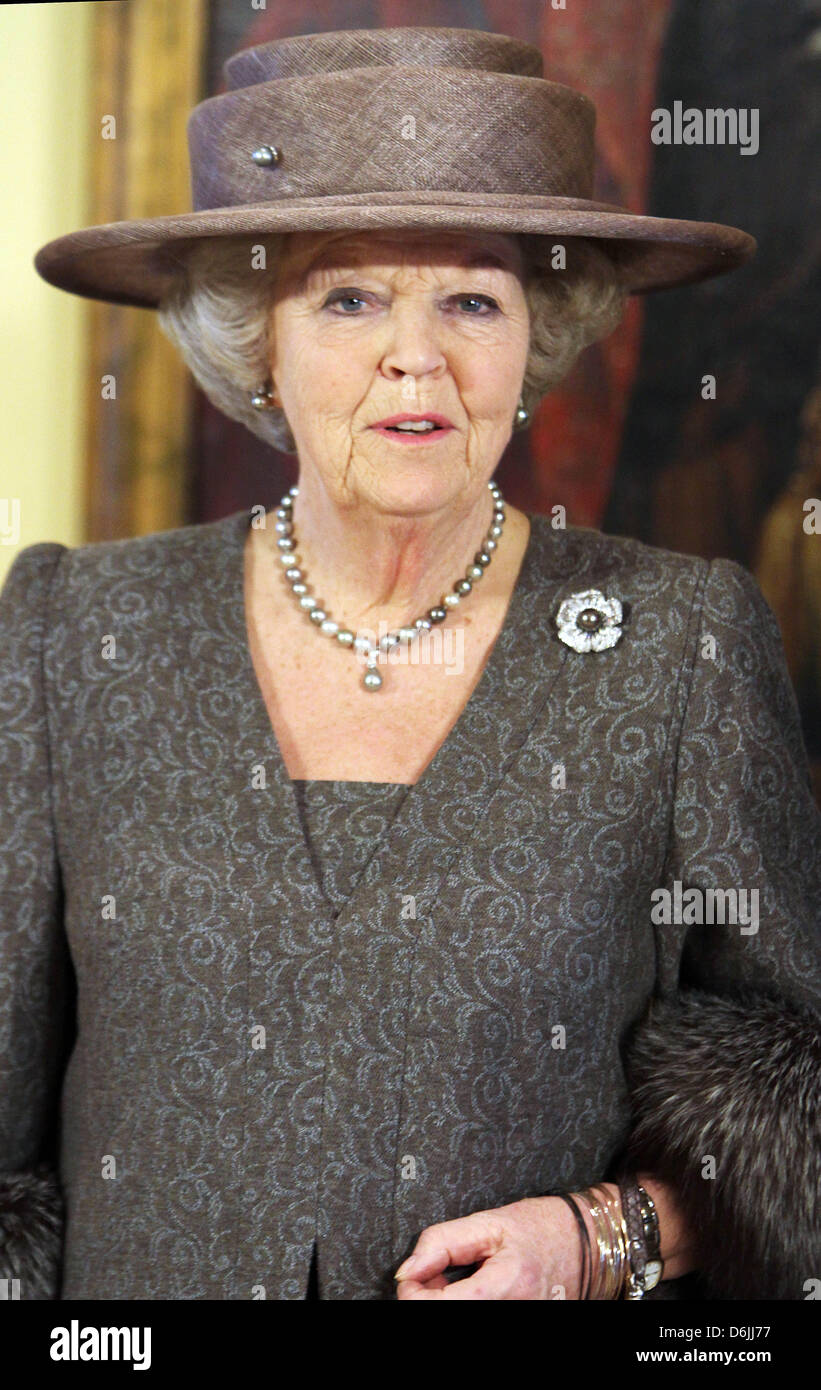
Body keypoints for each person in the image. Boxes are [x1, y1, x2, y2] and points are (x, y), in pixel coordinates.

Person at [2, 25, 818, 1302]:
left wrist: (602, 1240)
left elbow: (800, 1083)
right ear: (252, 337)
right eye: (346, 295)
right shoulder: (75, 629)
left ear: (535, 335)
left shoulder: (677, 641)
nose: (414, 358)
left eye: (472, 297)